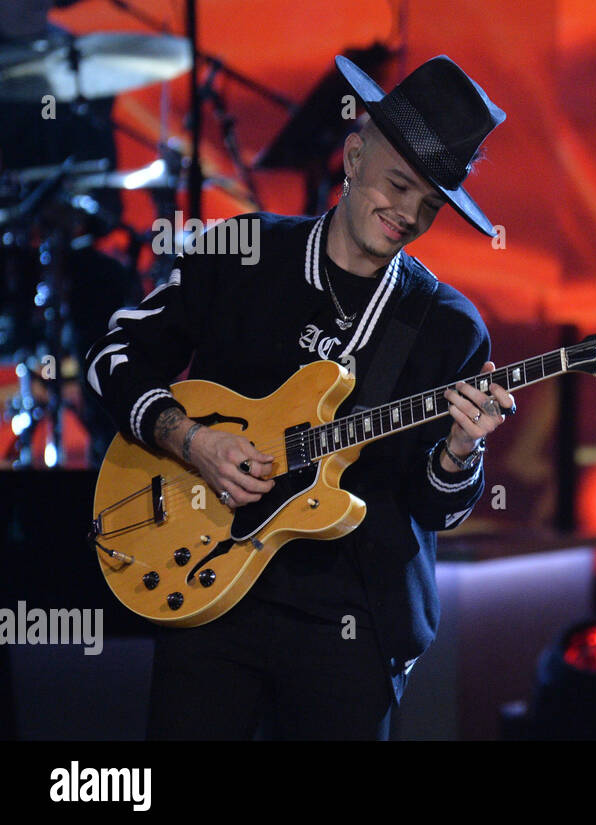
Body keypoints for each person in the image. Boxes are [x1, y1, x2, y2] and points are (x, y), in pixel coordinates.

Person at [85, 54, 515, 739]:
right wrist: (189, 438)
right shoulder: (241, 250)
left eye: (428, 205)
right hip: (208, 586)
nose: (406, 214)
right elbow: (114, 358)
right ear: (352, 154)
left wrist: (461, 453)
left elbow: (435, 506)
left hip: (353, 619)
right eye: (399, 185)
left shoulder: (446, 326)